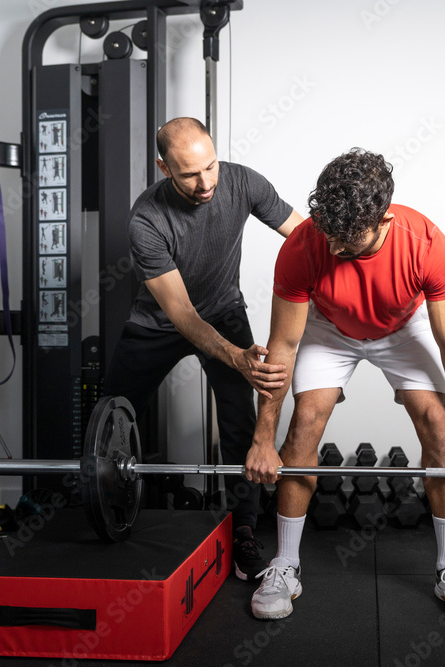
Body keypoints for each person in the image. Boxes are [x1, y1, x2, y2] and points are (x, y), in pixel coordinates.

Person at [244, 148, 445, 623]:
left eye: (351, 240)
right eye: (332, 236)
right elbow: (281, 346)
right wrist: (263, 439)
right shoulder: (304, 245)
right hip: (329, 328)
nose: (338, 249)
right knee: (305, 423)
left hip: (401, 327)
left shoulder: (426, 244)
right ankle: (285, 563)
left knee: (435, 424)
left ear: (383, 218)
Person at [103, 117, 304, 581]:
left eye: (210, 166)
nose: (206, 182)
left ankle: (246, 530)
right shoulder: (146, 220)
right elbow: (183, 316)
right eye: (190, 174)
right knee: (112, 413)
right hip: (159, 322)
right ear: (163, 168)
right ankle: (102, 510)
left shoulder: (242, 181)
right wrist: (234, 355)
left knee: (241, 423)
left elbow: (304, 236)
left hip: (225, 310)